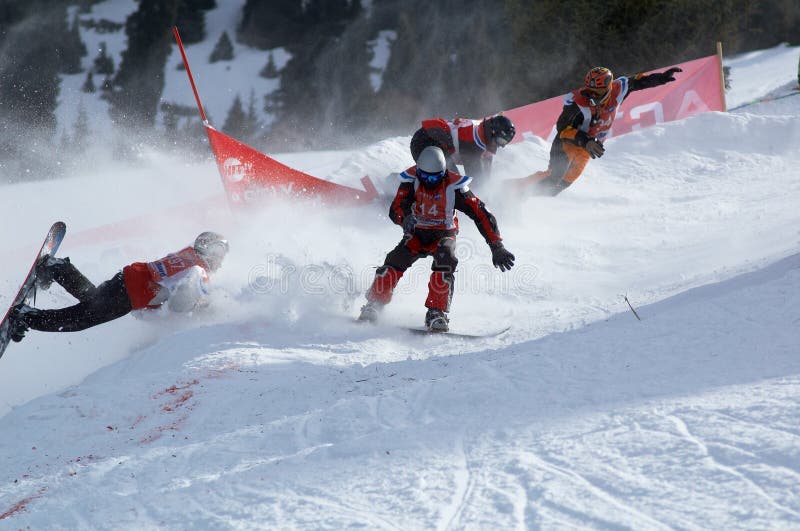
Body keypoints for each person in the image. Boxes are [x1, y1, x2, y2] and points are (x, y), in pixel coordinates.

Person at [358, 146, 515, 332]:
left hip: (443, 234)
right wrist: (404, 218)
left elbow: (481, 213)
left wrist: (496, 245)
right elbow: (396, 208)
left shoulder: (454, 187)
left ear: (442, 173)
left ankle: (436, 312)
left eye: (434, 178)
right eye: (425, 177)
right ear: (419, 172)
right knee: (394, 260)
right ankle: (375, 304)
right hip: (417, 234)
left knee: (446, 259)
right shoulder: (411, 181)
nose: (429, 182)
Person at [7, 231, 229, 342]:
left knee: (90, 298)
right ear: (206, 249)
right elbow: (180, 304)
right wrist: (205, 308)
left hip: (126, 280)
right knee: (76, 321)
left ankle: (57, 268)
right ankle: (25, 316)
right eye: (218, 252)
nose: (220, 260)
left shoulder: (187, 255)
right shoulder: (199, 270)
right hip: (129, 295)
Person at [527, 66, 683, 195]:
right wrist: (585, 140)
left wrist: (661, 78)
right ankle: (514, 192)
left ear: (608, 88)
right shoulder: (577, 103)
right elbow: (562, 129)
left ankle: (521, 197)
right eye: (590, 90)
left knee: (556, 189)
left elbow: (637, 81)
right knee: (553, 178)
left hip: (588, 149)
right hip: (569, 142)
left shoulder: (617, 89)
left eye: (598, 92)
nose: (593, 95)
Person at [410, 114, 516, 180]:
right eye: (500, 141)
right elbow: (476, 181)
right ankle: (407, 187)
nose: (499, 146)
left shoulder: (483, 135)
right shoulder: (474, 141)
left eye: (504, 143)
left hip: (434, 141)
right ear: (493, 132)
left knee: (450, 177)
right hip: (425, 140)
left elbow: (485, 178)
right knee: (451, 180)